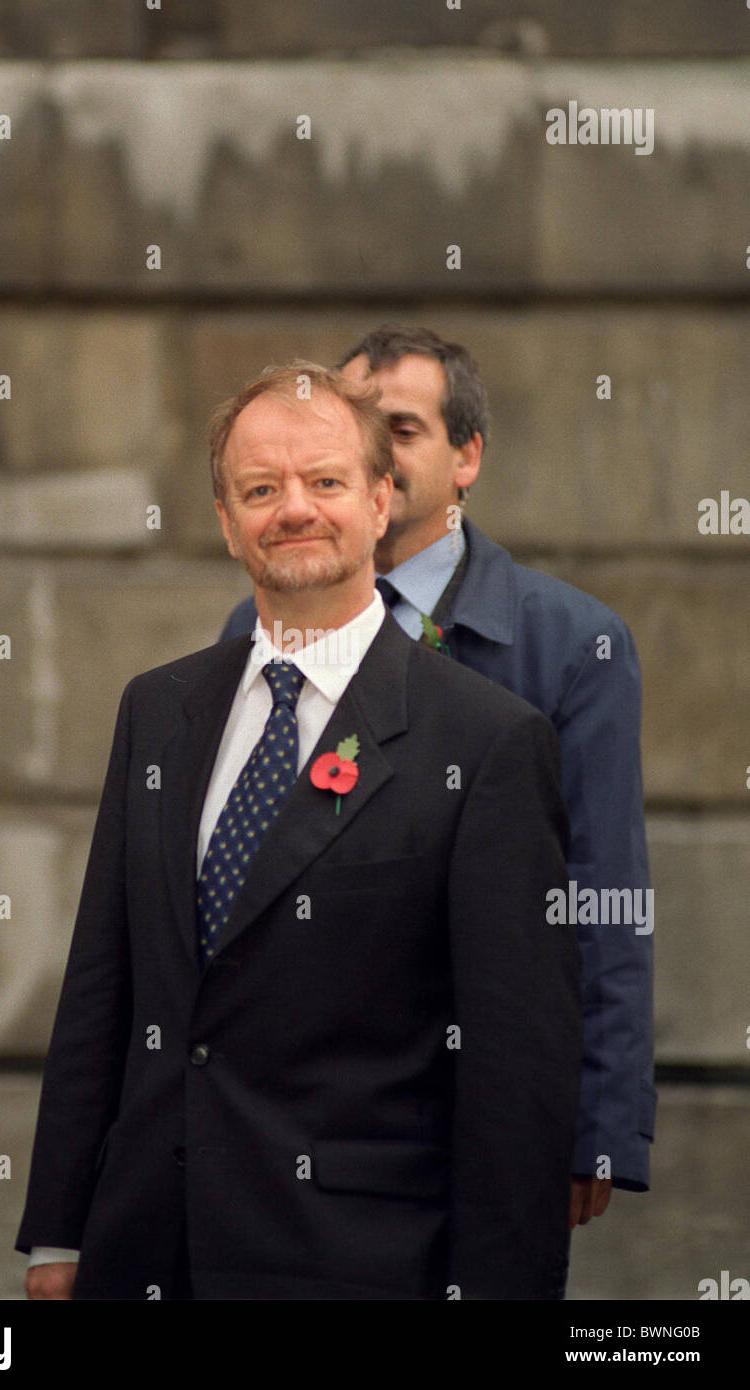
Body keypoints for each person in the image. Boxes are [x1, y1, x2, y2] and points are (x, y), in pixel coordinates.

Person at [17, 363, 582, 1300]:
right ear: (225, 520)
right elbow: (102, 987)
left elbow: (515, 1074)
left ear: (380, 501)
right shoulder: (158, 711)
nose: (294, 510)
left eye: (325, 482)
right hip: (145, 1255)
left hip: (357, 1263)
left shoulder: (486, 743)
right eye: (260, 489)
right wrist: (56, 1235)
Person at [221, 327, 656, 1231]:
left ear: (468, 458)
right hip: (281, 1108)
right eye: (358, 428)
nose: (377, 449)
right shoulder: (253, 623)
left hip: (474, 1096)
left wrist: (597, 1126)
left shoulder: (571, 644)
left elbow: (604, 893)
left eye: (404, 429)